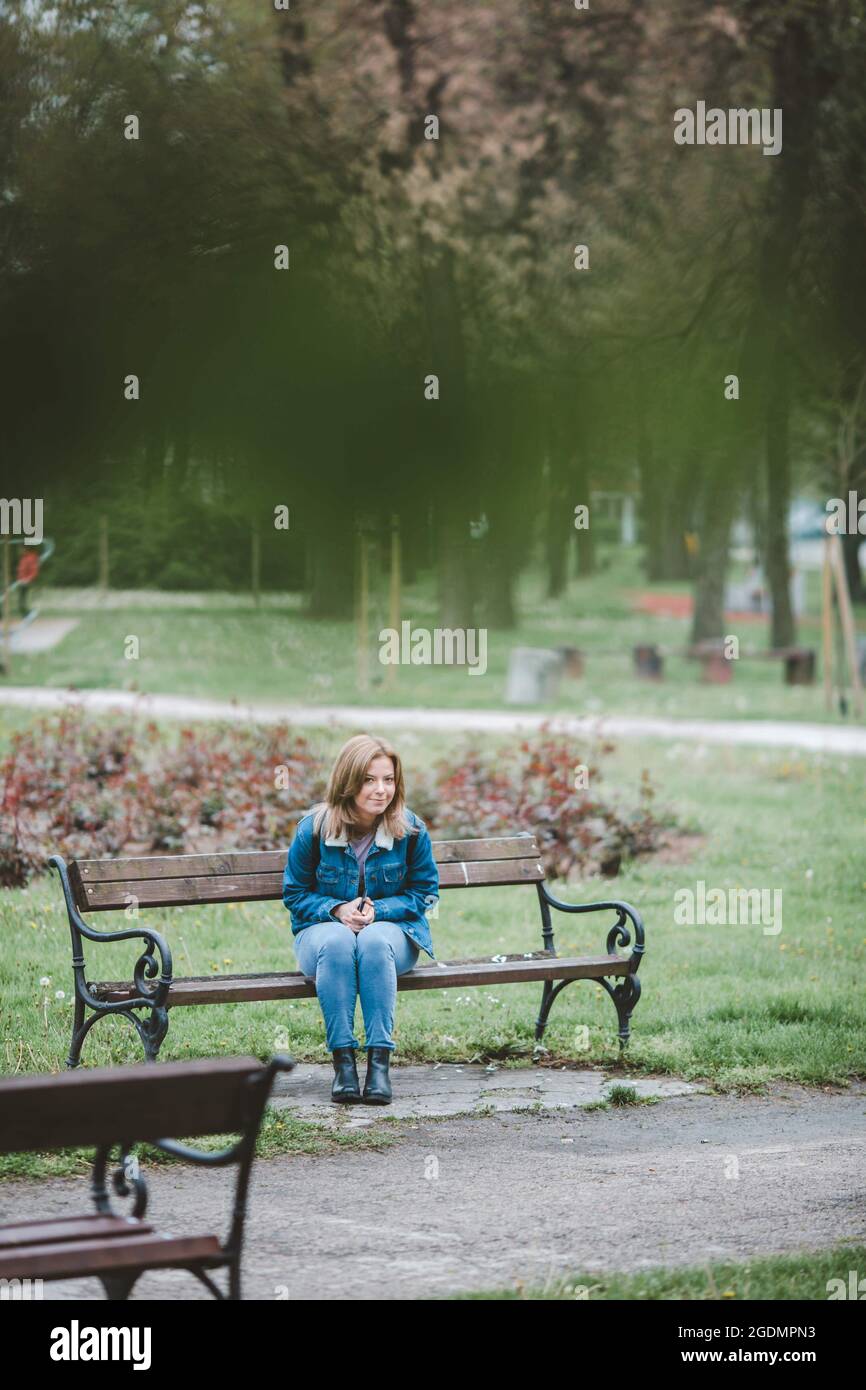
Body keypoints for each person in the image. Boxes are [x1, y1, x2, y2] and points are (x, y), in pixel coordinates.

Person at [282, 733, 439, 1105]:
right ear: (348, 782)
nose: (381, 790)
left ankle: (380, 1065)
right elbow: (295, 894)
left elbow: (425, 892)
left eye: (388, 779)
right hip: (321, 937)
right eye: (369, 780)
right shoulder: (314, 830)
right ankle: (344, 1064)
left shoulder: (410, 830)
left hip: (392, 936)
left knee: (373, 940)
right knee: (337, 941)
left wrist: (378, 912)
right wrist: (336, 910)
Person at [16, 546, 40, 617]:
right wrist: (20, 579)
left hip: (27, 582)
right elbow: (21, 570)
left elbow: (34, 571)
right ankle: (25, 614)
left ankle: (28, 613)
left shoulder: (31, 557)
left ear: (24, 549)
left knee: (24, 600)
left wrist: (27, 580)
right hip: (22, 581)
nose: (19, 551)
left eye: (20, 549)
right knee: (21, 600)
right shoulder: (23, 557)